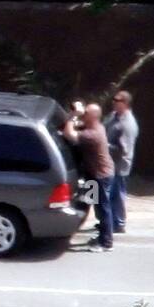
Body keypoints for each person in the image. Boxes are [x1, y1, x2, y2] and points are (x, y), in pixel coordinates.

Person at [63, 100, 115, 252]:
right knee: (94, 205)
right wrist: (76, 116)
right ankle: (101, 235)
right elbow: (77, 126)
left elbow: (69, 134)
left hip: (101, 176)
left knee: (103, 208)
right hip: (94, 174)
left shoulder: (92, 135)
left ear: (92, 117)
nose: (83, 114)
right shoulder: (97, 126)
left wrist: (72, 116)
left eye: (85, 113)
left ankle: (106, 243)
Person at [105, 90, 139, 234]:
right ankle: (107, 221)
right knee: (108, 194)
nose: (113, 102)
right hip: (108, 164)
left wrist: (102, 145)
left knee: (117, 195)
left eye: (117, 100)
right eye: (113, 99)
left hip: (119, 166)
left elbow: (121, 150)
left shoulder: (127, 124)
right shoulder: (113, 117)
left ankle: (118, 223)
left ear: (125, 103)